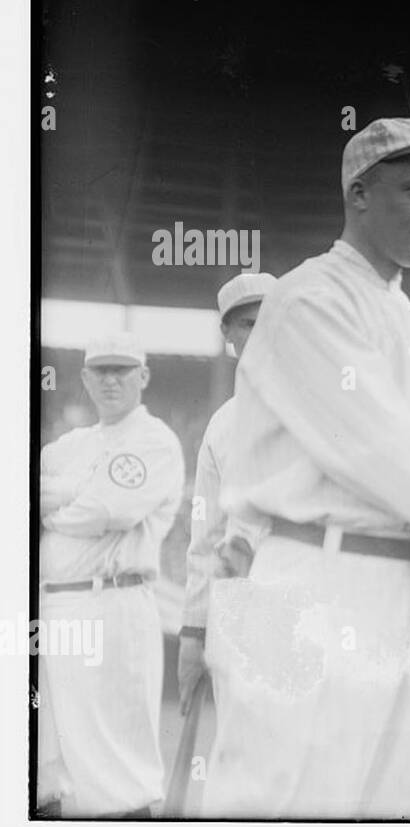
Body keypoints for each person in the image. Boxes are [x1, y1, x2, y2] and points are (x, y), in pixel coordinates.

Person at [203, 117, 410, 818]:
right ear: (359, 193)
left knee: (398, 811)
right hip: (313, 578)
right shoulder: (308, 296)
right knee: (281, 808)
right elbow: (380, 446)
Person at [37, 332, 185, 817]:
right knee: (50, 761)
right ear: (84, 378)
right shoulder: (74, 443)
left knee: (119, 764)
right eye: (101, 370)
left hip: (115, 603)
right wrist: (73, 488)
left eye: (122, 369)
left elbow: (107, 509)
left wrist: (54, 510)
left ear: (142, 375)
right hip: (55, 604)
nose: (111, 379)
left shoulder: (155, 438)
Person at [177, 271, 276, 719]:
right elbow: (206, 538)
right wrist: (193, 633)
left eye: (270, 319)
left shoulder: (328, 405)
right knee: (244, 758)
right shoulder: (222, 424)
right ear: (228, 334)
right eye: (248, 323)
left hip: (315, 596)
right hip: (241, 606)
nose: (262, 332)